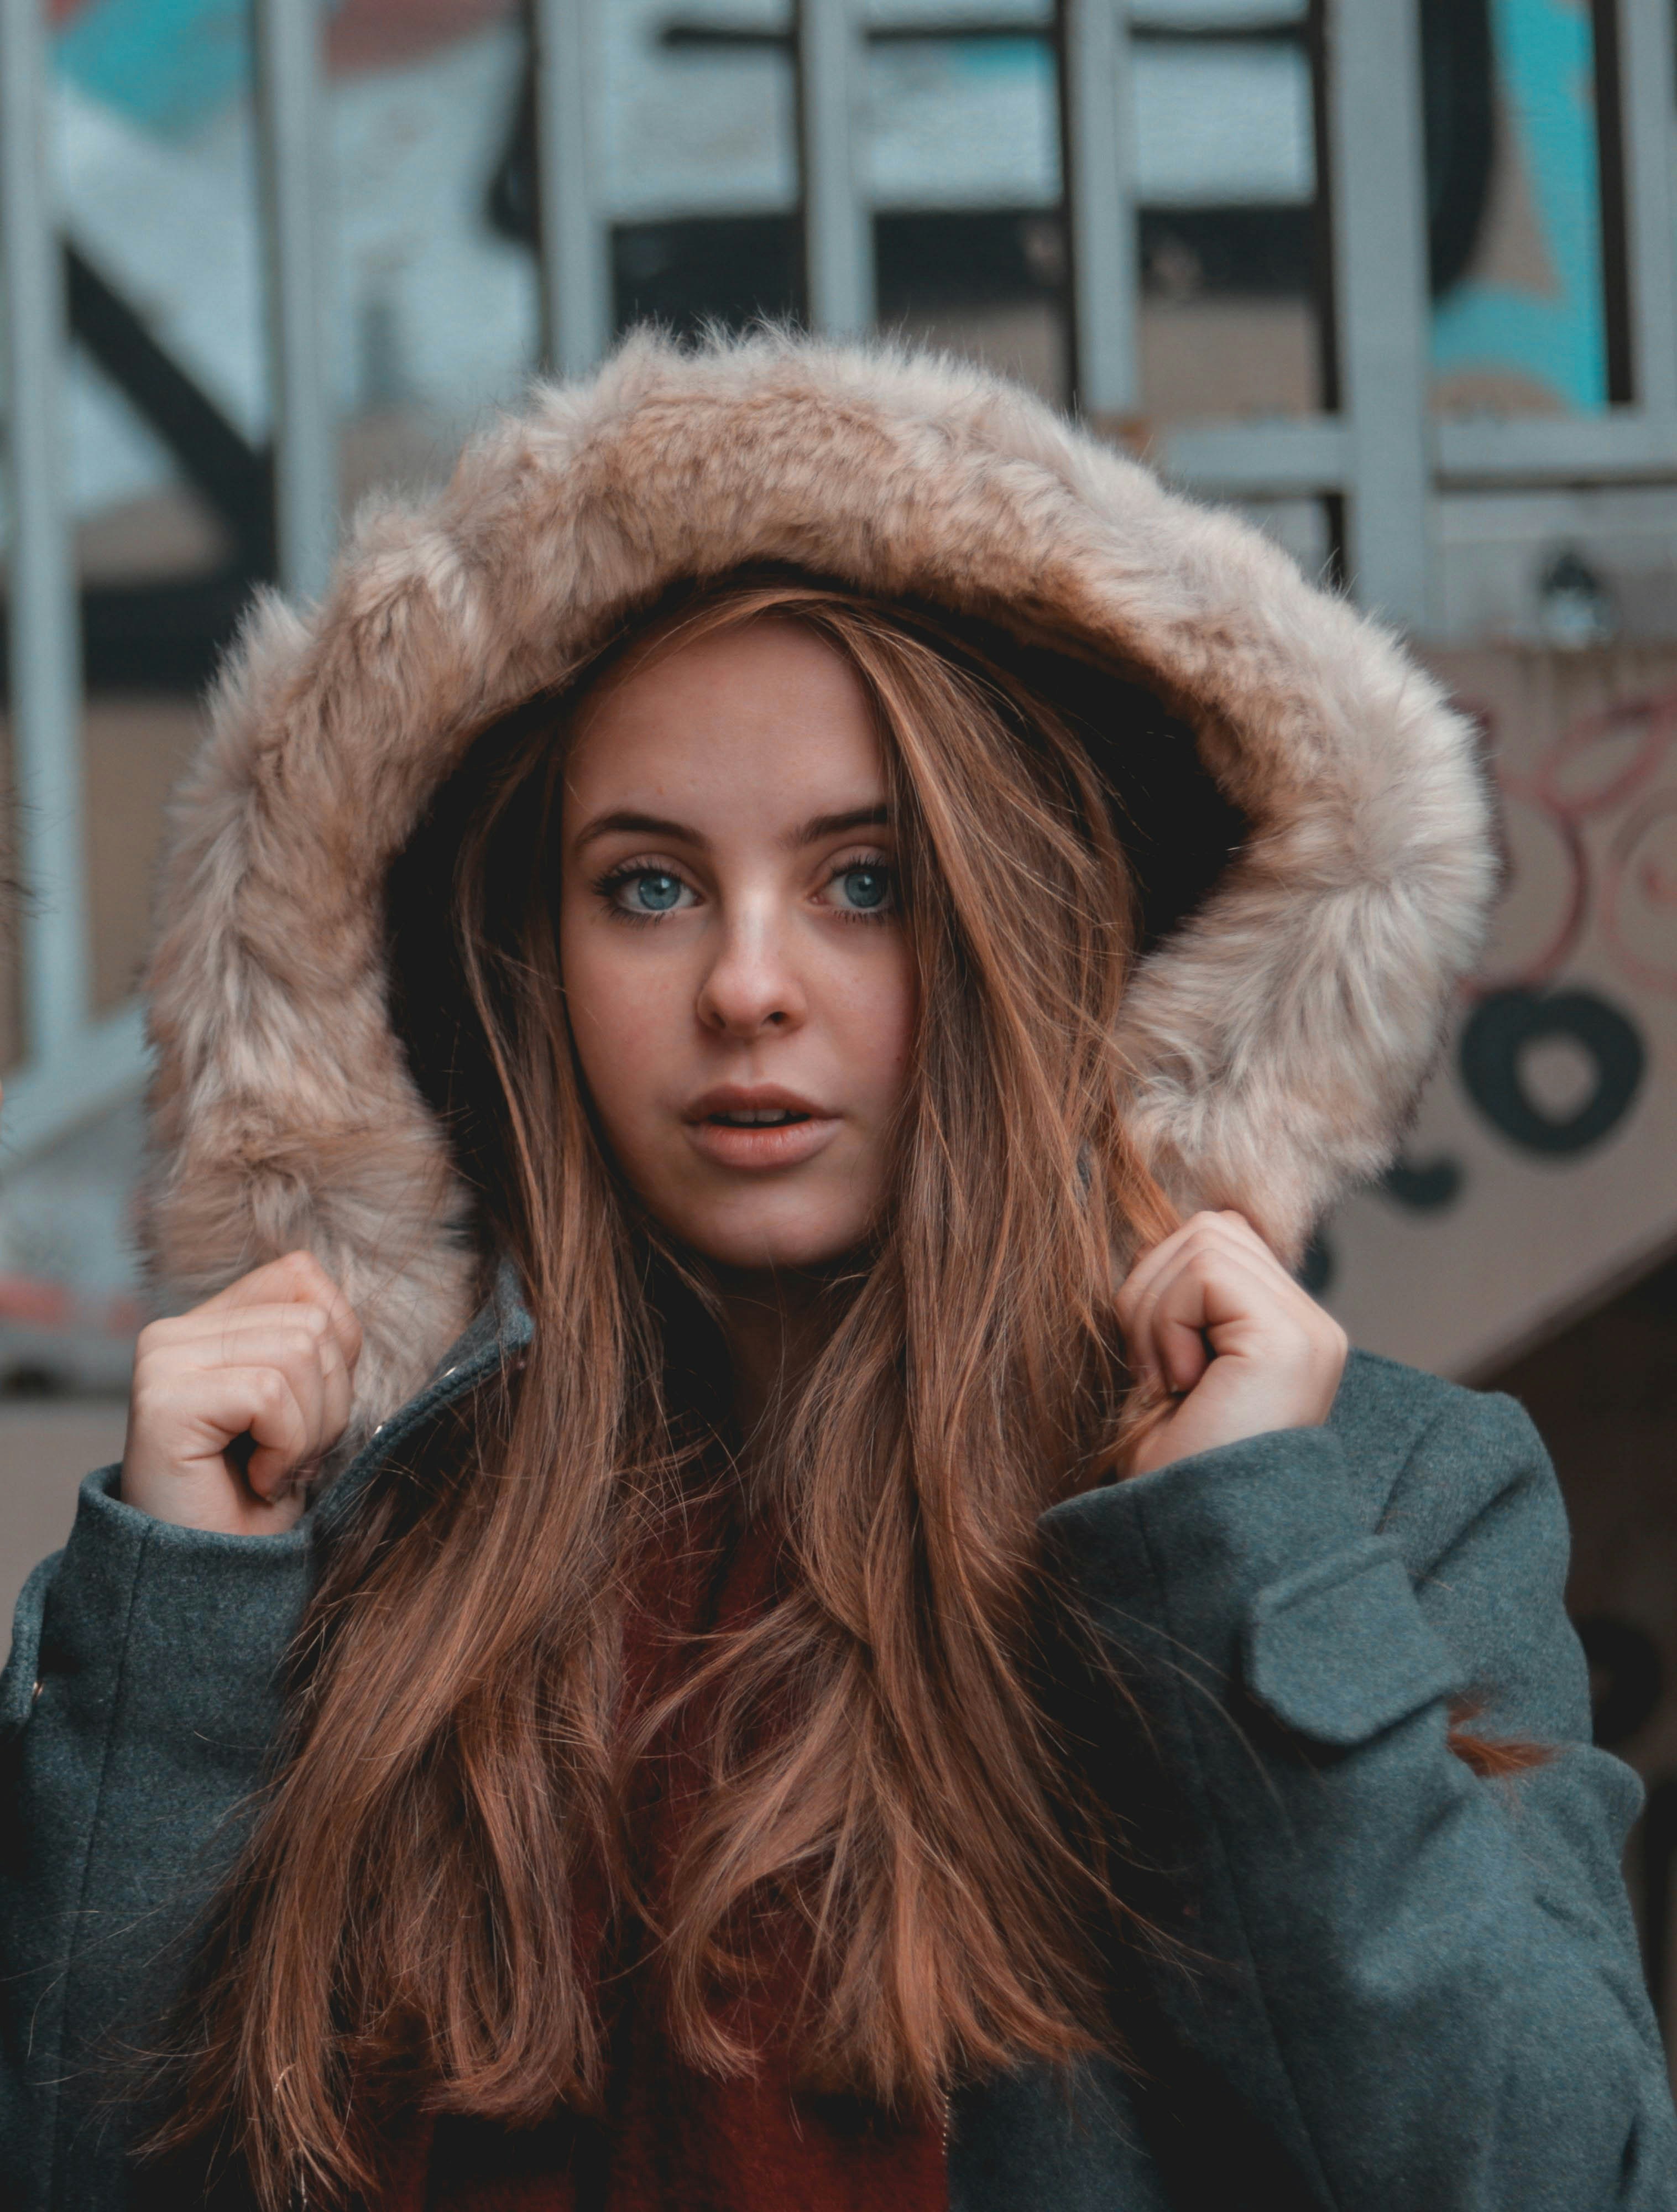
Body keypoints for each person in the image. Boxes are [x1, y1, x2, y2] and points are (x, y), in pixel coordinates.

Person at [2, 332, 1671, 2212]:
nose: (745, 986)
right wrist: (184, 1619)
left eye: (862, 880)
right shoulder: (328, 1571)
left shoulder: (1384, 1504)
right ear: (519, 967)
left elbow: (1555, 2177)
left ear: (1020, 922)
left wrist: (1243, 1547)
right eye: (646, 884)